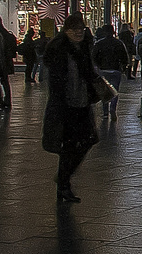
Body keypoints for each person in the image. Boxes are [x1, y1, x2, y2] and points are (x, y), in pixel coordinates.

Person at [42, 14, 102, 204]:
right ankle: (63, 184)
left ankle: (63, 178)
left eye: (81, 29)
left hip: (82, 103)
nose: (78, 32)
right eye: (74, 29)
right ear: (65, 30)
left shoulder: (83, 49)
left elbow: (90, 74)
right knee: (69, 145)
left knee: (87, 140)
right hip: (65, 106)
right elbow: (58, 82)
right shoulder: (59, 50)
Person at [91, 23, 130, 121]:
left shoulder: (99, 44)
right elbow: (124, 57)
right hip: (115, 69)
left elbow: (94, 57)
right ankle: (113, 109)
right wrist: (123, 67)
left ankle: (105, 112)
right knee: (115, 91)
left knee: (105, 92)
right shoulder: (118, 43)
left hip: (103, 70)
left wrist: (98, 67)